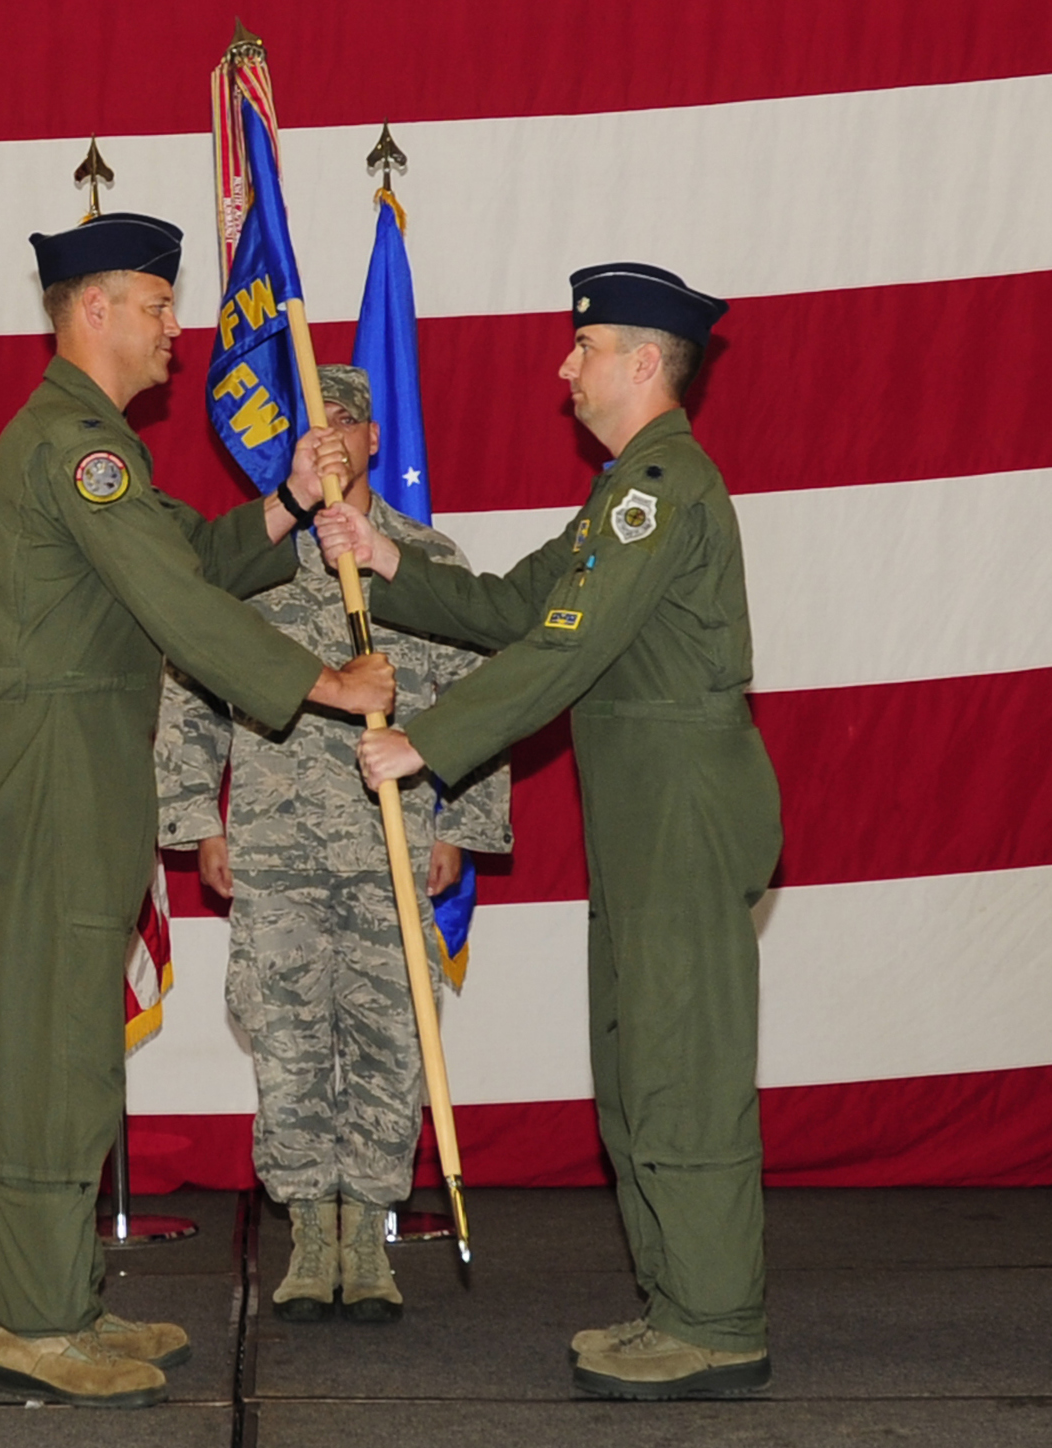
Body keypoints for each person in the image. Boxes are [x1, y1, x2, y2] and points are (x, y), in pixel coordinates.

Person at [0, 213, 394, 1409]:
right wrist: (321, 683)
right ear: (94, 311)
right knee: (53, 1052)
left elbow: (182, 553)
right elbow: (176, 607)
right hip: (52, 766)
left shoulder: (96, 449)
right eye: (154, 304)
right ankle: (37, 1321)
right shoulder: (75, 447)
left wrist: (291, 505)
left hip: (76, 763)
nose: (175, 327)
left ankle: (68, 1297)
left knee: (79, 1046)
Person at [316, 264, 782, 1399]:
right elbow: (519, 604)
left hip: (683, 804)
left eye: (585, 350)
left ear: (640, 364)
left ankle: (718, 1320)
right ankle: (677, 1299)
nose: (564, 367)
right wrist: (388, 563)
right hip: (647, 808)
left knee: (681, 1064)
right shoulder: (627, 489)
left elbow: (563, 649)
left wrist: (425, 739)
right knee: (637, 1061)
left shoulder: (659, 488)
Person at [155, 365, 511, 1323]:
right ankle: (313, 1232)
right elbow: (190, 685)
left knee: (392, 1041)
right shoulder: (257, 559)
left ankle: (374, 1240)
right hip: (274, 843)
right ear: (292, 447)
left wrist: (464, 826)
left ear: (374, 441)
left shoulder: (422, 556)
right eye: (314, 423)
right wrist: (198, 819)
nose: (332, 436)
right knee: (289, 1041)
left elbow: (476, 691)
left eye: (347, 419)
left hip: (393, 841)